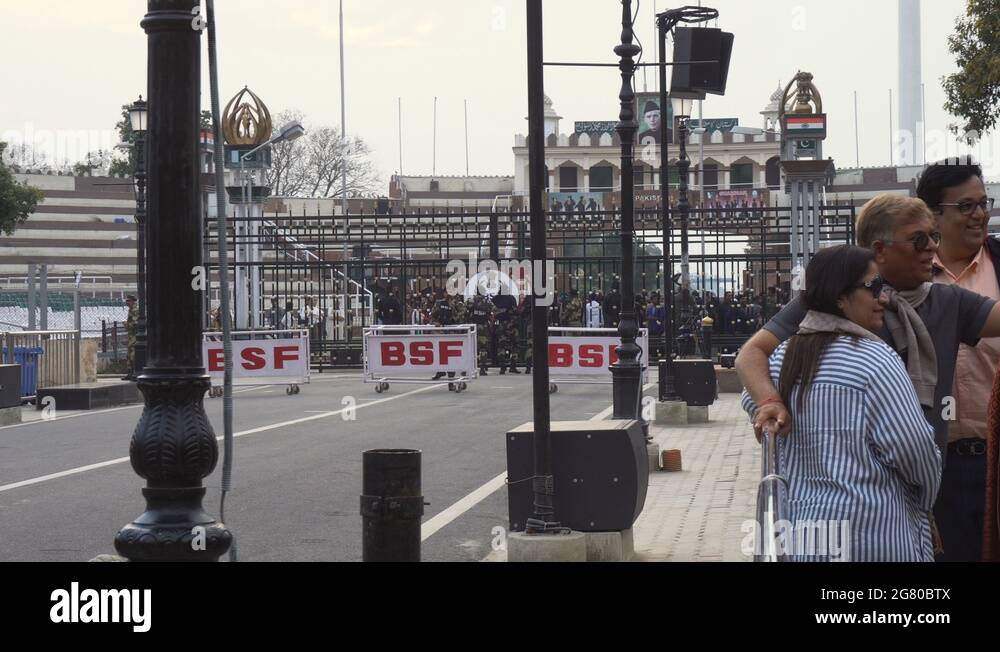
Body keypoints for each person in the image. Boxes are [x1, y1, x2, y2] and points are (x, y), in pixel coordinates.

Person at [737, 193, 1000, 562]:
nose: (932, 249)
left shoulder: (948, 302)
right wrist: (770, 400)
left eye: (935, 237)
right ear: (880, 248)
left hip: (826, 517)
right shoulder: (834, 317)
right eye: (919, 239)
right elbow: (750, 354)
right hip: (887, 509)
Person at [741, 245, 941, 561]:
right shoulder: (876, 360)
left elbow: (753, 404)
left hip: (801, 533)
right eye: (874, 287)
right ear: (839, 297)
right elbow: (915, 449)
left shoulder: (780, 357)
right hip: (872, 532)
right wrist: (926, 497)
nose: (884, 299)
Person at [917, 157, 1000, 562]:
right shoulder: (903, 275)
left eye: (983, 203)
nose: (979, 214)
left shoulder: (998, 263)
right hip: (933, 463)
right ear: (932, 214)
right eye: (965, 206)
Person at [122, 294, 137, 381]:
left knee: (133, 355)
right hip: (131, 336)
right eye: (126, 301)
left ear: (133, 301)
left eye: (128, 301)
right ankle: (130, 373)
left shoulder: (135, 310)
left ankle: (134, 373)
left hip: (135, 336)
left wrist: (126, 324)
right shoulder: (131, 310)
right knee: (129, 355)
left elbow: (135, 323)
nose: (127, 302)